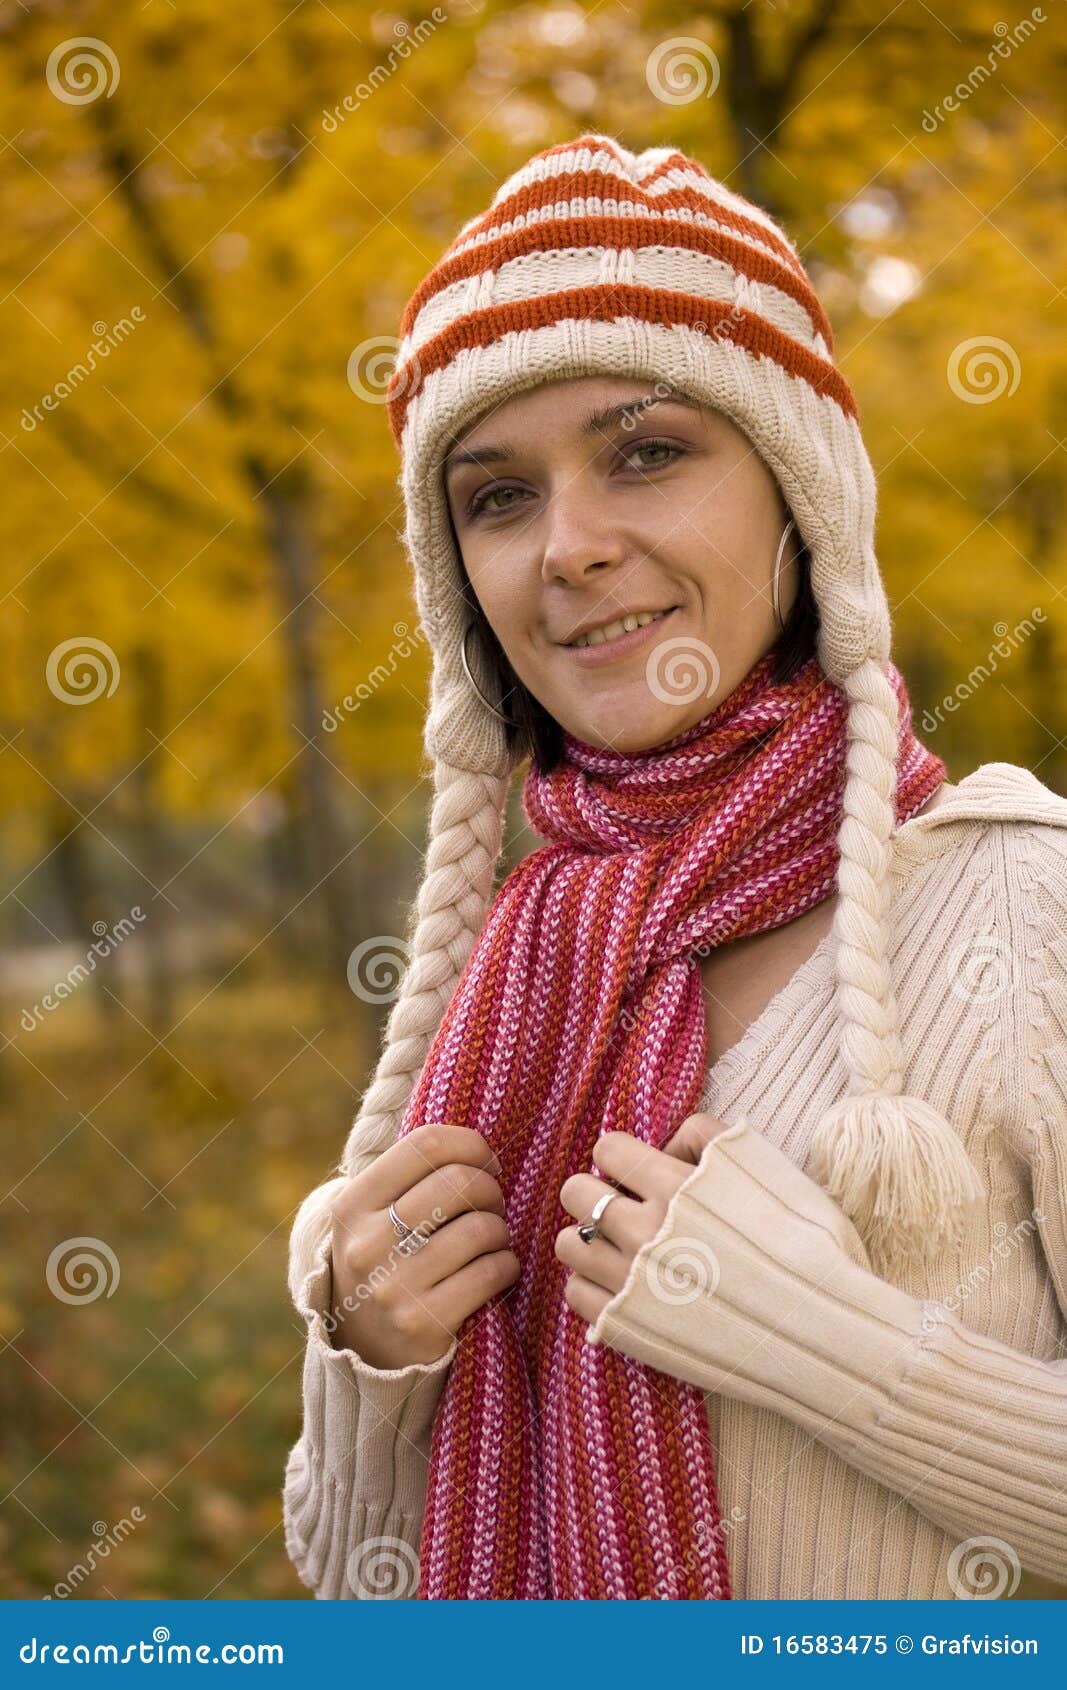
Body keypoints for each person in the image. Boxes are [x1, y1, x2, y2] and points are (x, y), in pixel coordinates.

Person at [283, 133, 1067, 1600]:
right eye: (497, 496)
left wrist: (823, 1335)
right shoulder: (507, 973)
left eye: (646, 451)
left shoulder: (1025, 910)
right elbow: (351, 1588)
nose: (568, 548)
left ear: (798, 501)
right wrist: (375, 1365)